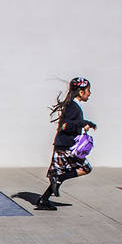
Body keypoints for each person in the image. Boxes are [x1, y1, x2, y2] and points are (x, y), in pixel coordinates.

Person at [35, 77, 97, 211]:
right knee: (85, 168)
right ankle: (56, 181)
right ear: (81, 92)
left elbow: (69, 124)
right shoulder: (73, 107)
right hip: (65, 147)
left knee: (61, 175)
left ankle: (44, 200)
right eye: (88, 90)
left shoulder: (73, 106)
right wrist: (83, 123)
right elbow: (64, 126)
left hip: (64, 145)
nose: (90, 93)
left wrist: (82, 126)